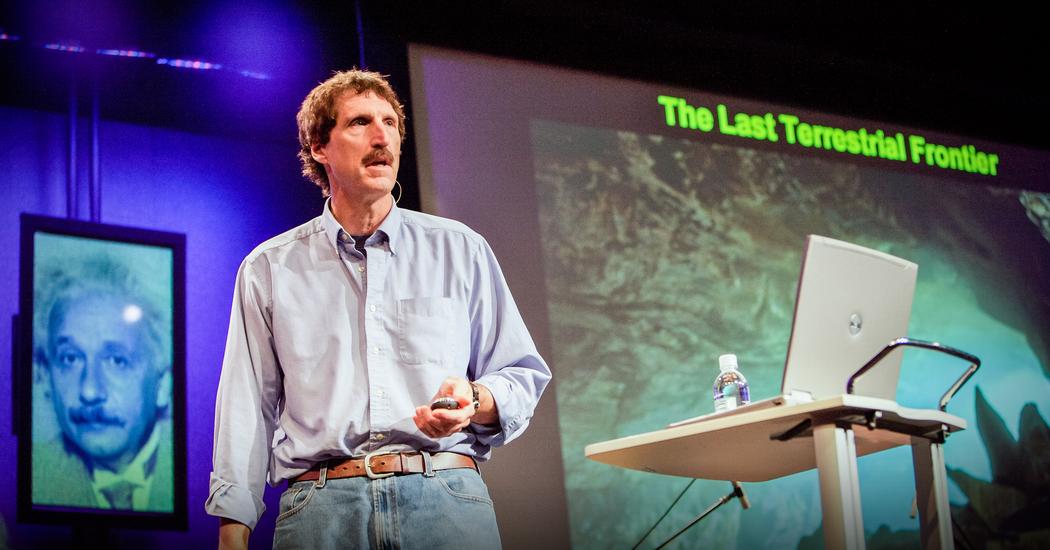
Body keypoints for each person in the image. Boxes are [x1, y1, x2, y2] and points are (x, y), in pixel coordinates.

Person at [207, 69, 551, 549]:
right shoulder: (270, 268)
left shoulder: (460, 249)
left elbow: (521, 373)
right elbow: (247, 405)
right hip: (321, 511)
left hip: (444, 498)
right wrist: (232, 529)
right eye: (359, 122)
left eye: (390, 123)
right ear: (319, 148)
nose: (381, 136)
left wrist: (474, 399)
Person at [32, 255, 174, 512]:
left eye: (117, 361)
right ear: (44, 377)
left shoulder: (203, 472)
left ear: (163, 384)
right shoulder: (29, 479)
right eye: (70, 358)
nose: (89, 391)